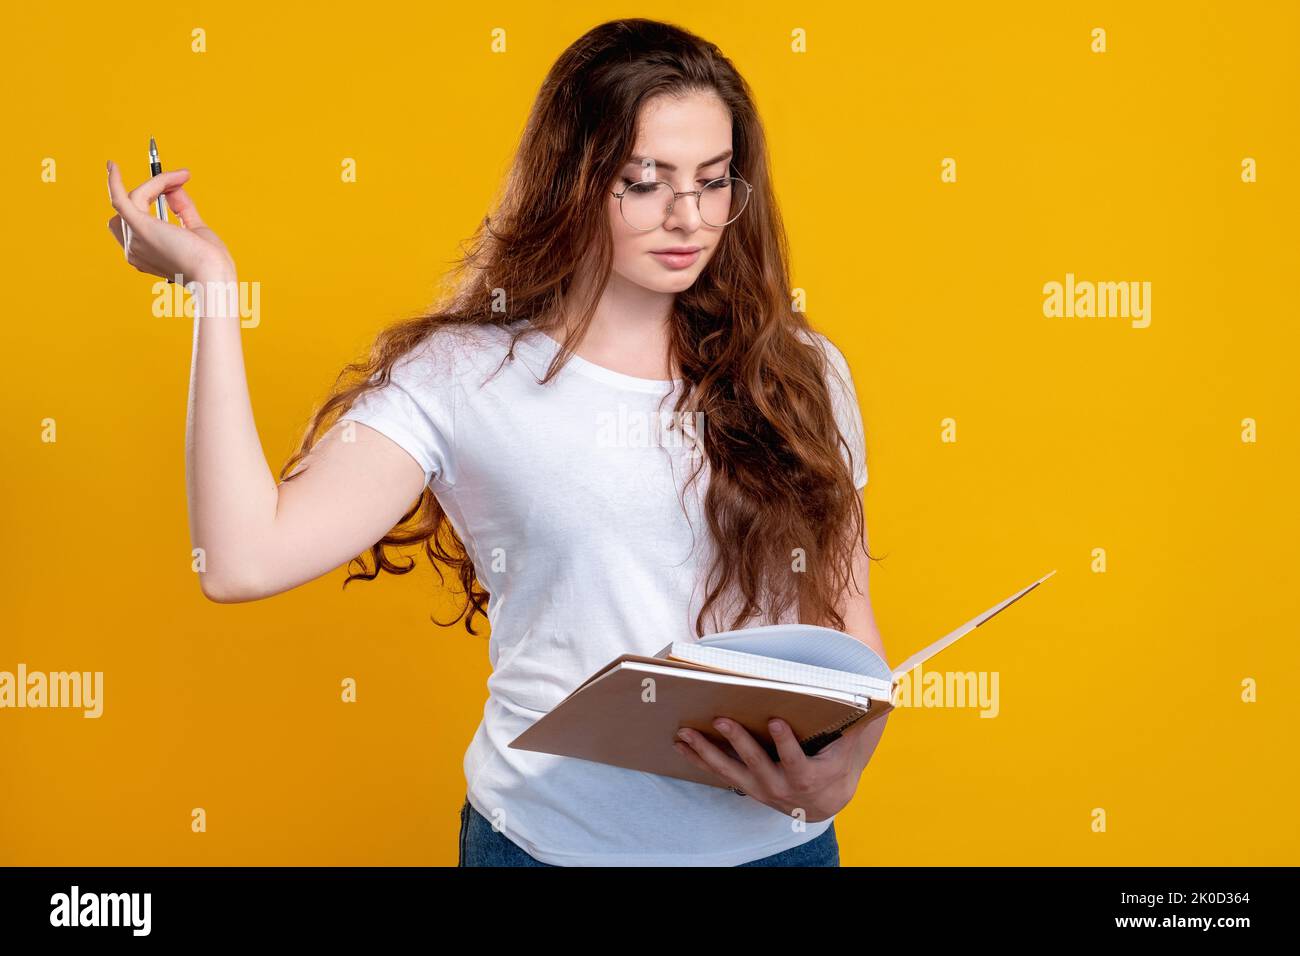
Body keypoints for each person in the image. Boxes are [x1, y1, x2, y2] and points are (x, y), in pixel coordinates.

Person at [104, 17, 890, 867]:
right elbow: (239, 560)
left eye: (712, 181)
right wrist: (214, 290)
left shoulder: (800, 370)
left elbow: (847, 635)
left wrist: (842, 770)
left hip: (783, 854)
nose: (687, 218)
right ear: (573, 178)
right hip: (547, 848)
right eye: (644, 182)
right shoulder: (463, 379)